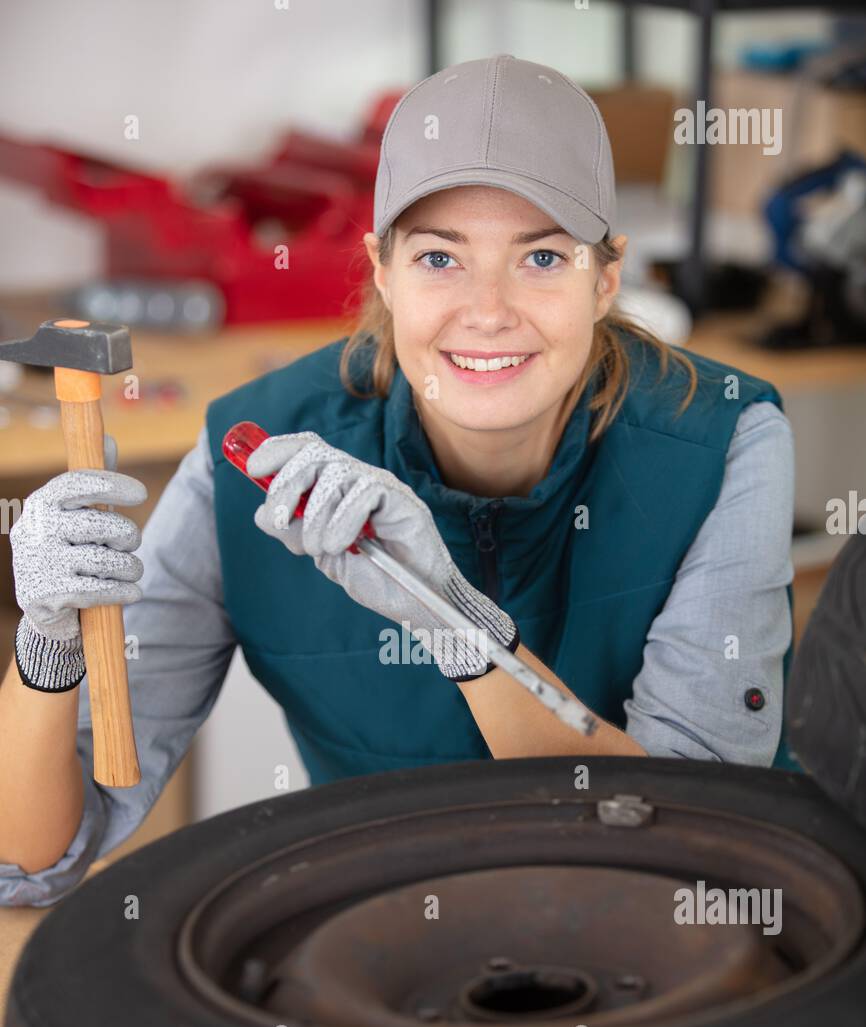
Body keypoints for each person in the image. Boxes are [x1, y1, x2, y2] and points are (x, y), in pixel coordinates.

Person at [0, 53, 796, 908]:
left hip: (663, 968)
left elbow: (695, 848)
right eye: (440, 260)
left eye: (541, 259)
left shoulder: (723, 439)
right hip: (381, 950)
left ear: (605, 277)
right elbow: (30, 865)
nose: (488, 311)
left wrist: (462, 630)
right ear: (381, 266)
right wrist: (46, 643)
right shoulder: (251, 456)